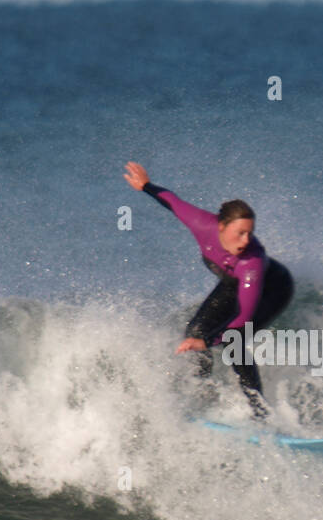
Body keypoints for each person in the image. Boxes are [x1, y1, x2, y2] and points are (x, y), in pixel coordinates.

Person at [122, 161, 293, 420]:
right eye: (241, 233)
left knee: (233, 343)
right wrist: (146, 186)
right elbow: (172, 202)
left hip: (274, 290)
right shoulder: (202, 224)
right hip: (232, 283)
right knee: (193, 332)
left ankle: (261, 413)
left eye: (251, 233)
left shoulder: (252, 262)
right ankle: (202, 392)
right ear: (221, 227)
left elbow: (242, 319)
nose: (247, 240)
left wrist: (209, 341)